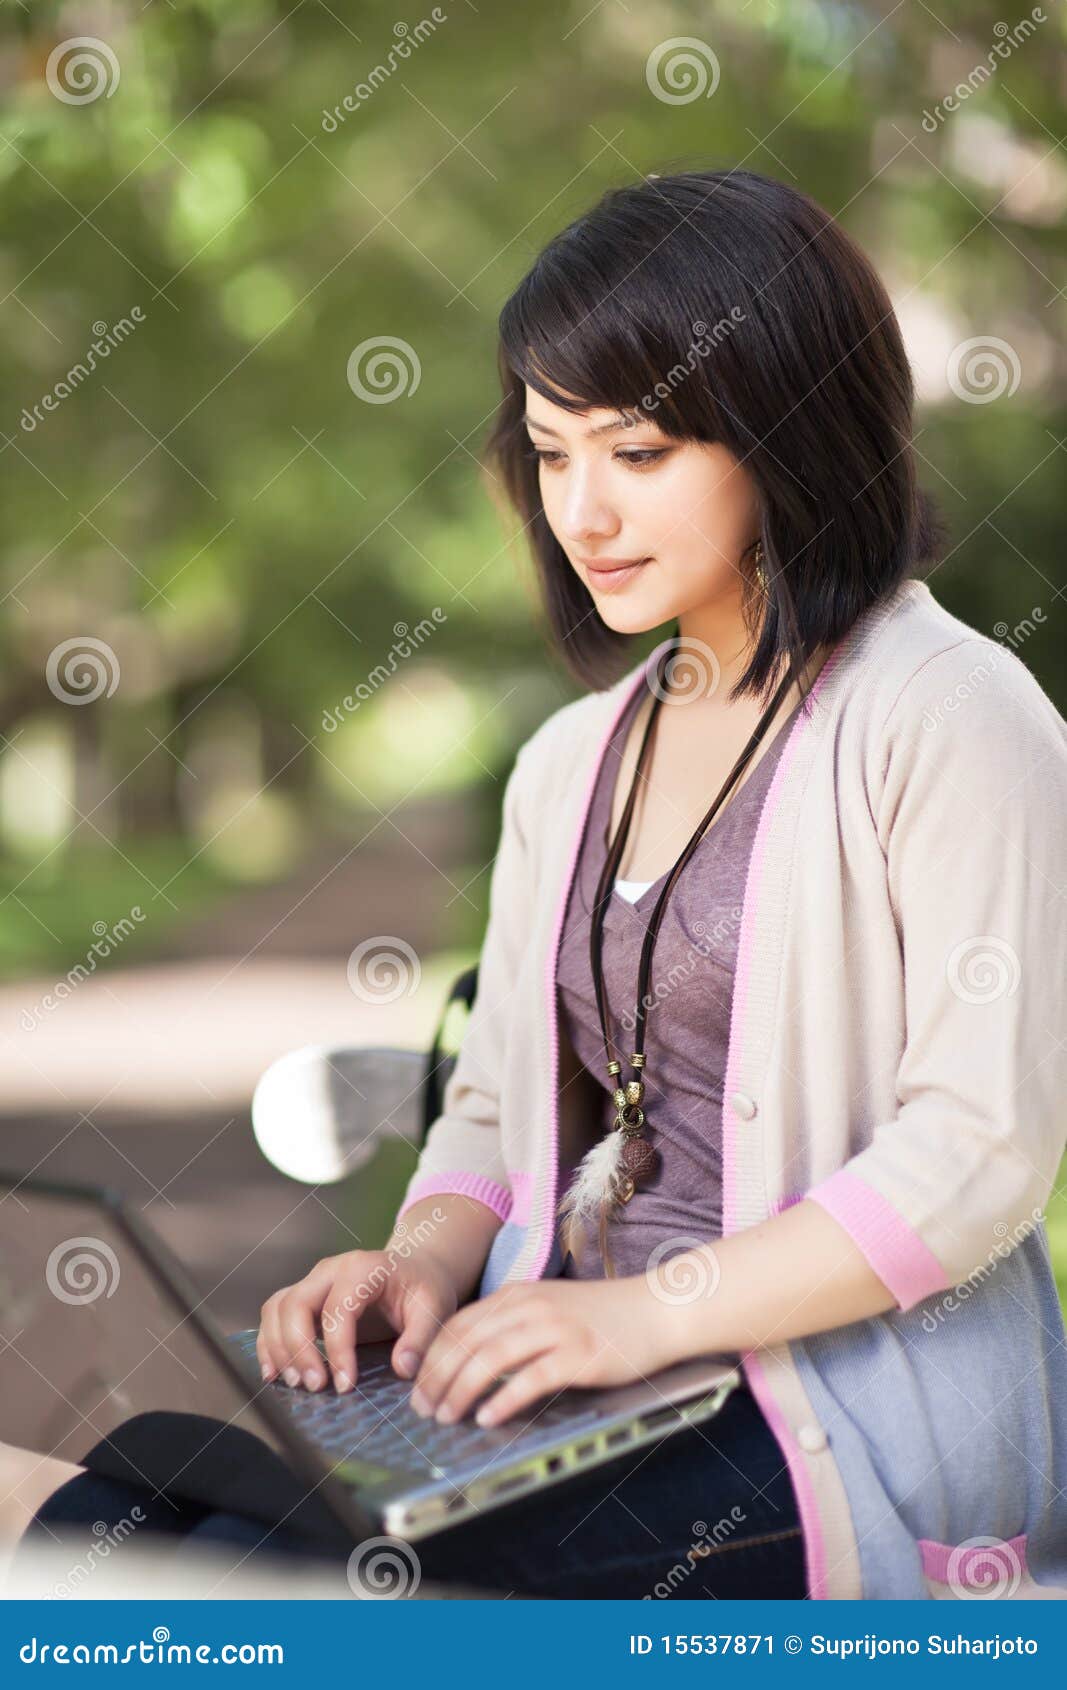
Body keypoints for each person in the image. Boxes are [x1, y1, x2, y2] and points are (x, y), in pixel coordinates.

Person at [29, 168, 1067, 1601]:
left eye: (637, 452)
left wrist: (647, 1316)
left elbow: (979, 1155)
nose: (582, 511)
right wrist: (417, 1264)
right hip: (578, 1378)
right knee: (129, 1498)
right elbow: (493, 1112)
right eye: (551, 452)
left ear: (790, 430)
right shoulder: (572, 761)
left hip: (828, 1434)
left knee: (234, 1576)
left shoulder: (949, 713)